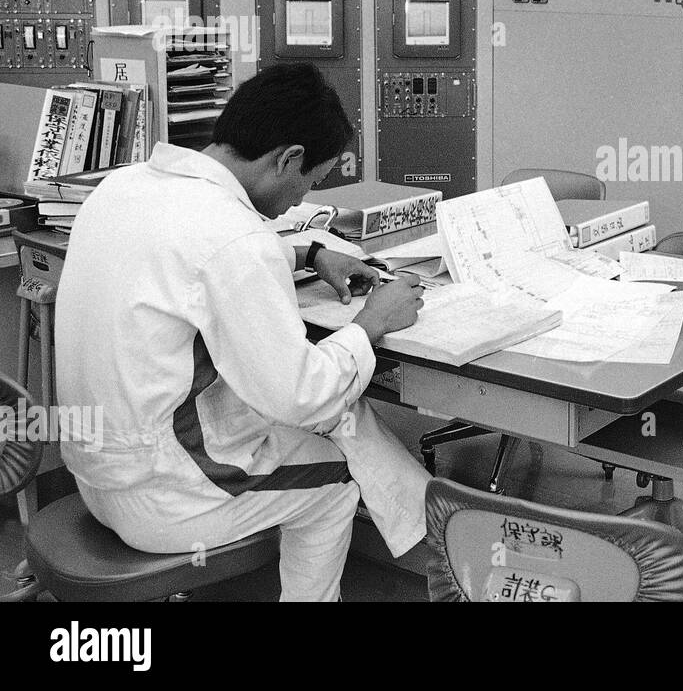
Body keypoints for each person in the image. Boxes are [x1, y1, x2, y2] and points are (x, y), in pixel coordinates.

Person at [56, 62, 432, 601]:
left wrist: (309, 252)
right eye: (310, 182)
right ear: (289, 158)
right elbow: (301, 396)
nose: (302, 200)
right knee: (341, 477)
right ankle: (440, 544)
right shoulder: (233, 237)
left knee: (348, 424)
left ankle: (436, 529)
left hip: (94, 473)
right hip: (162, 500)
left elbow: (191, 258)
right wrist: (372, 322)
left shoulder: (125, 187)